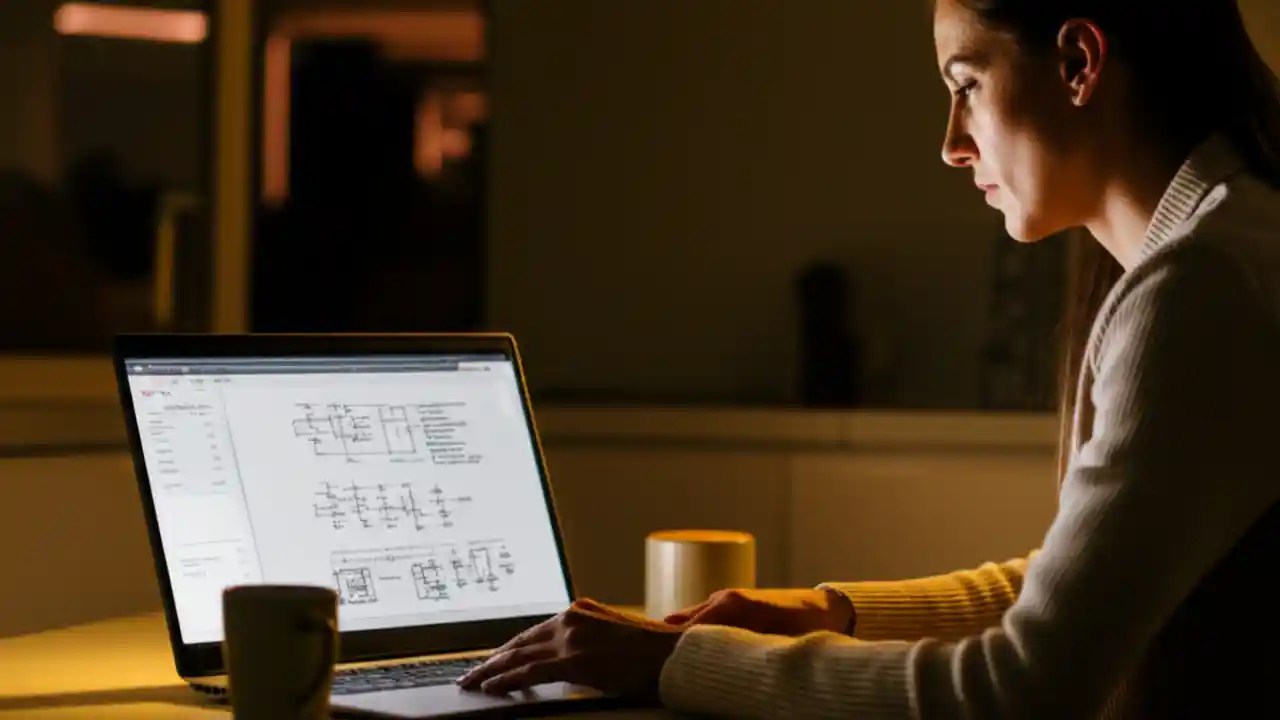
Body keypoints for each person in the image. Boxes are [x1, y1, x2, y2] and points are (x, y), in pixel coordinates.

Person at [458, 0, 1280, 716]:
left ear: (1077, 62)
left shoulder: (1203, 285)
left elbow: (1021, 688)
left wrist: (676, 662)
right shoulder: (1227, 245)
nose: (951, 143)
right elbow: (1092, 590)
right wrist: (834, 612)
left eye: (965, 85)